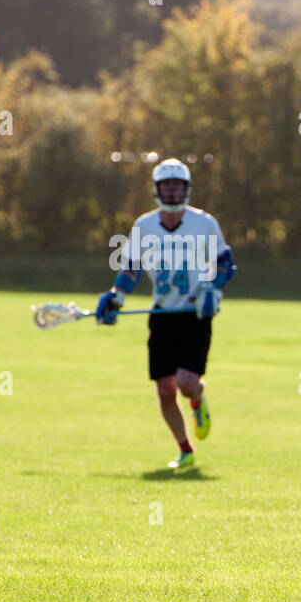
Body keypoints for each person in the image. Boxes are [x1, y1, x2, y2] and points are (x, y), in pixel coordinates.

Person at [95, 158, 235, 469]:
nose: (172, 192)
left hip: (195, 312)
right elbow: (131, 267)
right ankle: (185, 450)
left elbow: (225, 263)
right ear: (157, 190)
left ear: (186, 189)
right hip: (162, 314)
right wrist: (117, 296)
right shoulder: (144, 226)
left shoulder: (204, 223)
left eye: (177, 186)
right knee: (164, 389)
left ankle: (198, 399)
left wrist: (212, 288)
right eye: (166, 186)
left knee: (186, 382)